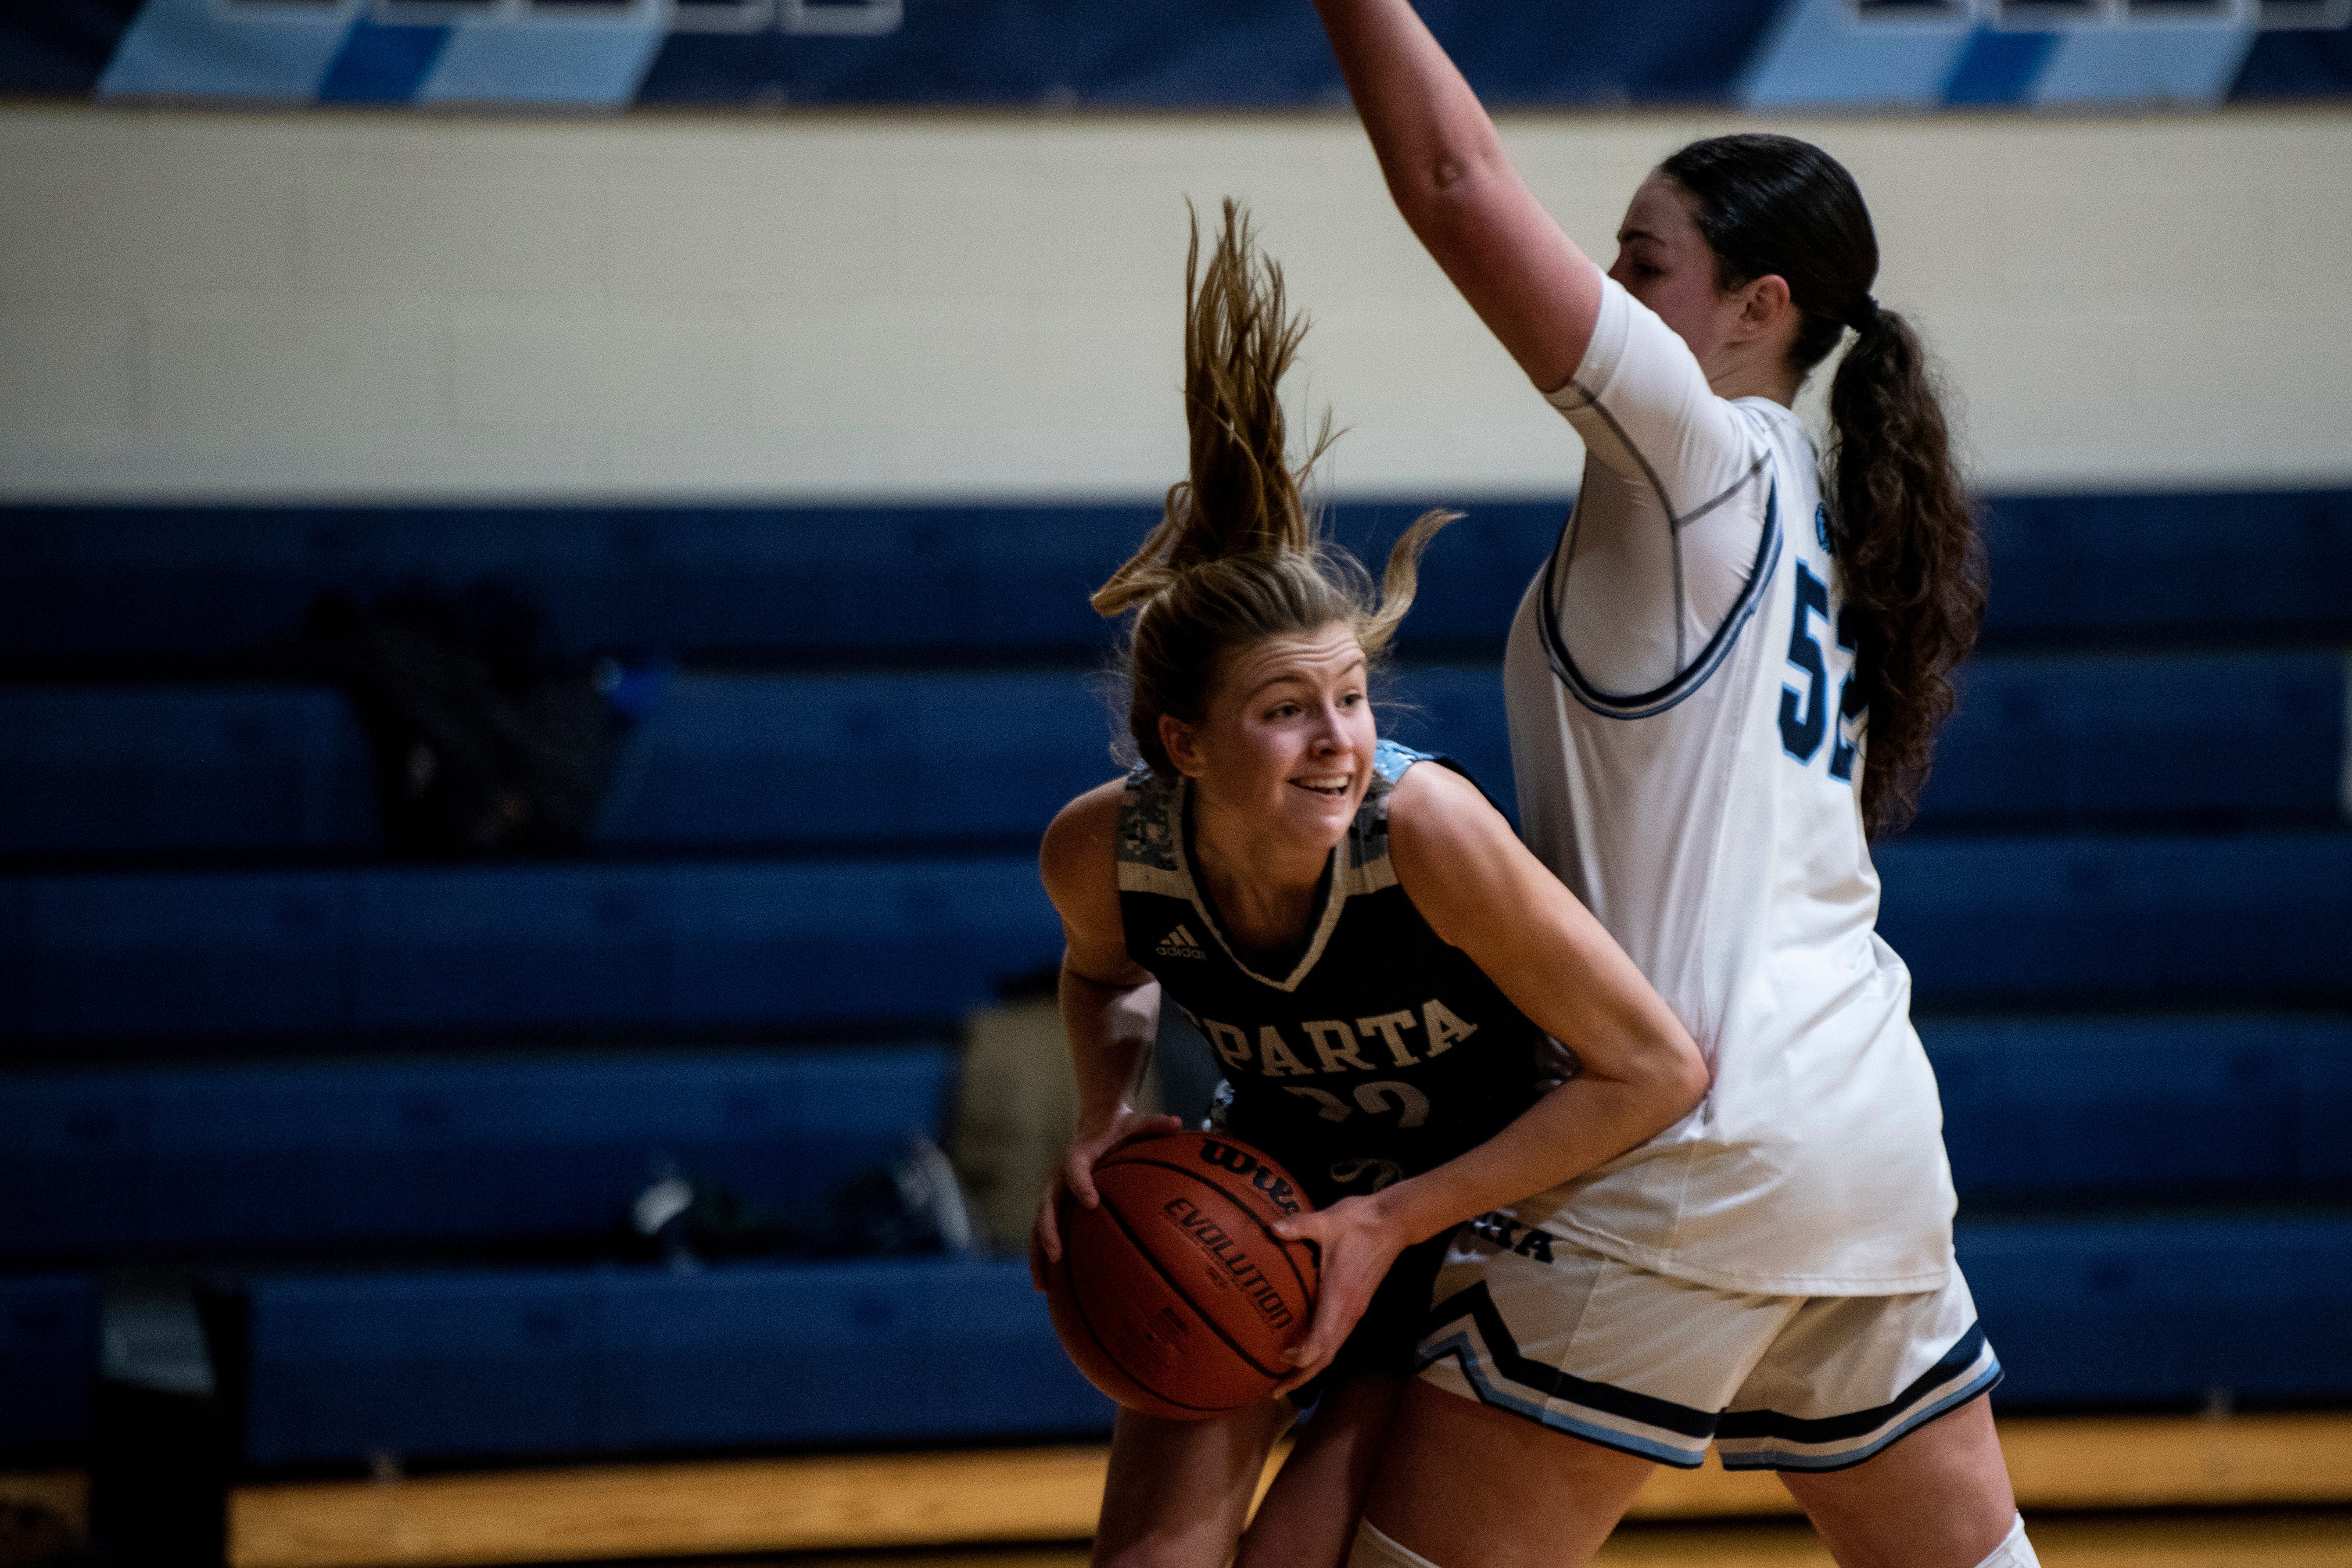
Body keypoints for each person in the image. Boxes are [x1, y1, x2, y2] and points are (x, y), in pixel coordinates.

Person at [1308, 6, 2029, 1568]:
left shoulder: (1696, 460)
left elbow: (1449, 178)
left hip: (1691, 1145)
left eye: (1642, 264)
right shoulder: (1815, 523)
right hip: (1870, 1147)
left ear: (1755, 309)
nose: (1609, 287)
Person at [1029, 201, 1709, 1568]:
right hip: (1274, 1193)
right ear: (1185, 745)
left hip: (1485, 1215)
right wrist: (1106, 1112)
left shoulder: (1429, 832)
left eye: (1351, 698)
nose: (1343, 742)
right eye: (1288, 711)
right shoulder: (1111, 850)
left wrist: (1397, 1219)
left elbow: (1655, 1070)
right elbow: (1106, 972)